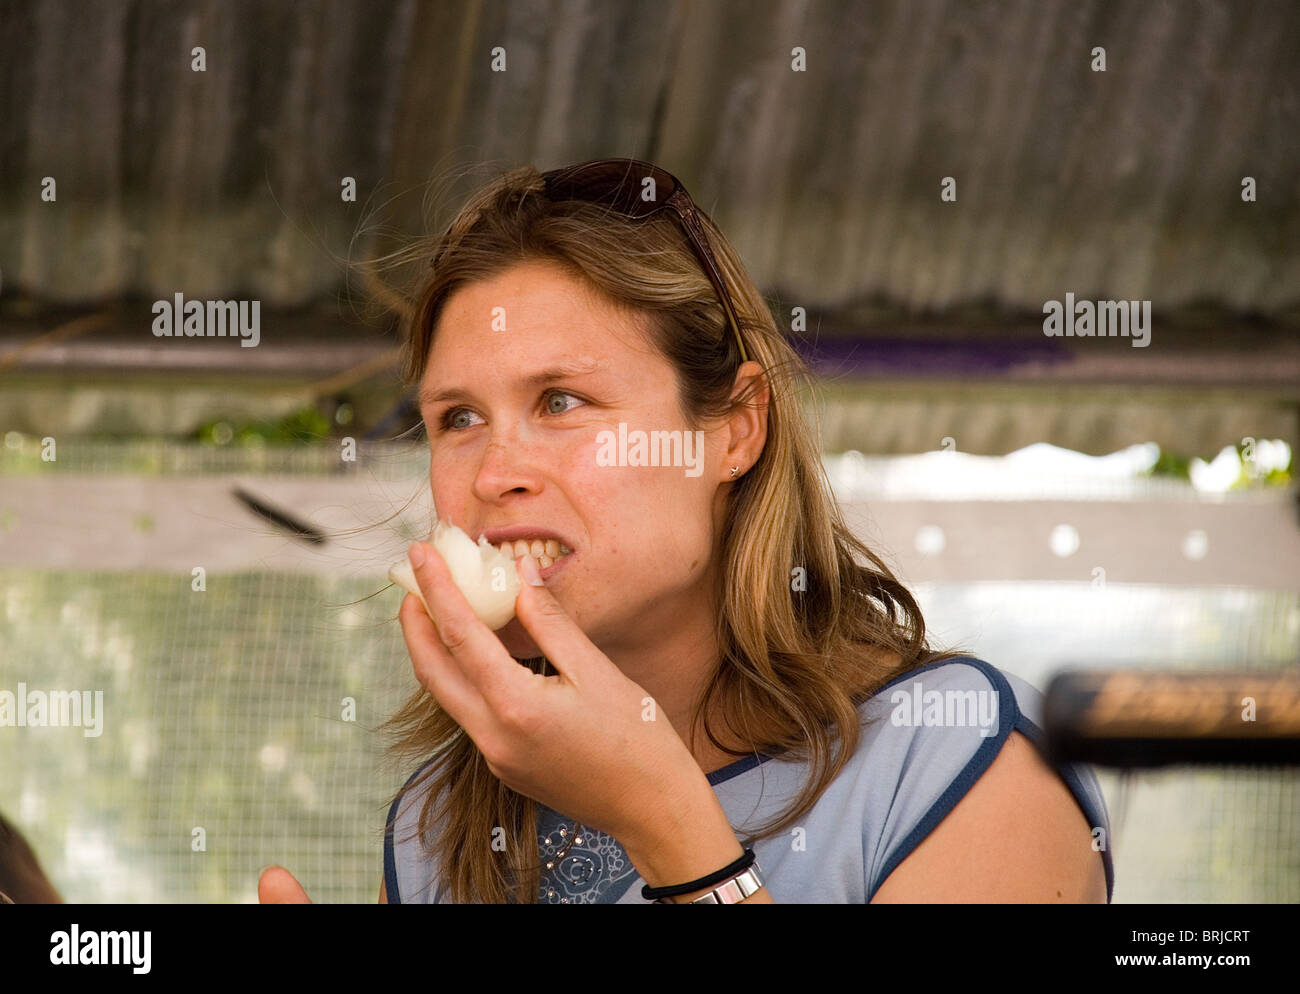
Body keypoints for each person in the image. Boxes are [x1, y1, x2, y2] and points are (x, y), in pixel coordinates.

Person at [259, 158, 1112, 905]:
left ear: (735, 429)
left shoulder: (951, 757)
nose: (491, 475)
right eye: (458, 418)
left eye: (562, 402)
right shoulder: (433, 830)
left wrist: (666, 826)